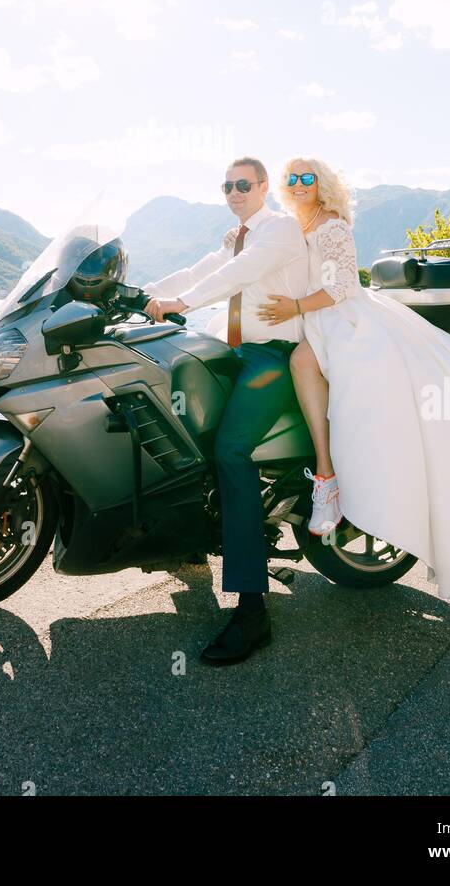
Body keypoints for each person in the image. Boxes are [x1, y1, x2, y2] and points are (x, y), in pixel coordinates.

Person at [256, 156, 450, 604]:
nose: (299, 184)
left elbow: (343, 286)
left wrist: (295, 309)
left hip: (339, 315)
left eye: (308, 177)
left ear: (322, 185)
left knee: (308, 364)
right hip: (305, 315)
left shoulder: (333, 224)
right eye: (292, 178)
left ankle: (326, 473)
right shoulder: (289, 225)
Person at [143, 157, 308, 664]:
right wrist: (140, 295)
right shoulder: (234, 234)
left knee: (233, 451)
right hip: (234, 351)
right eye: (227, 185)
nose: (234, 192)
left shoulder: (278, 229)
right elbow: (202, 269)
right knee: (180, 417)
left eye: (243, 184)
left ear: (262, 187)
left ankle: (252, 608)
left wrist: (182, 303)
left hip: (272, 356)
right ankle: (190, 535)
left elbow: (238, 273)